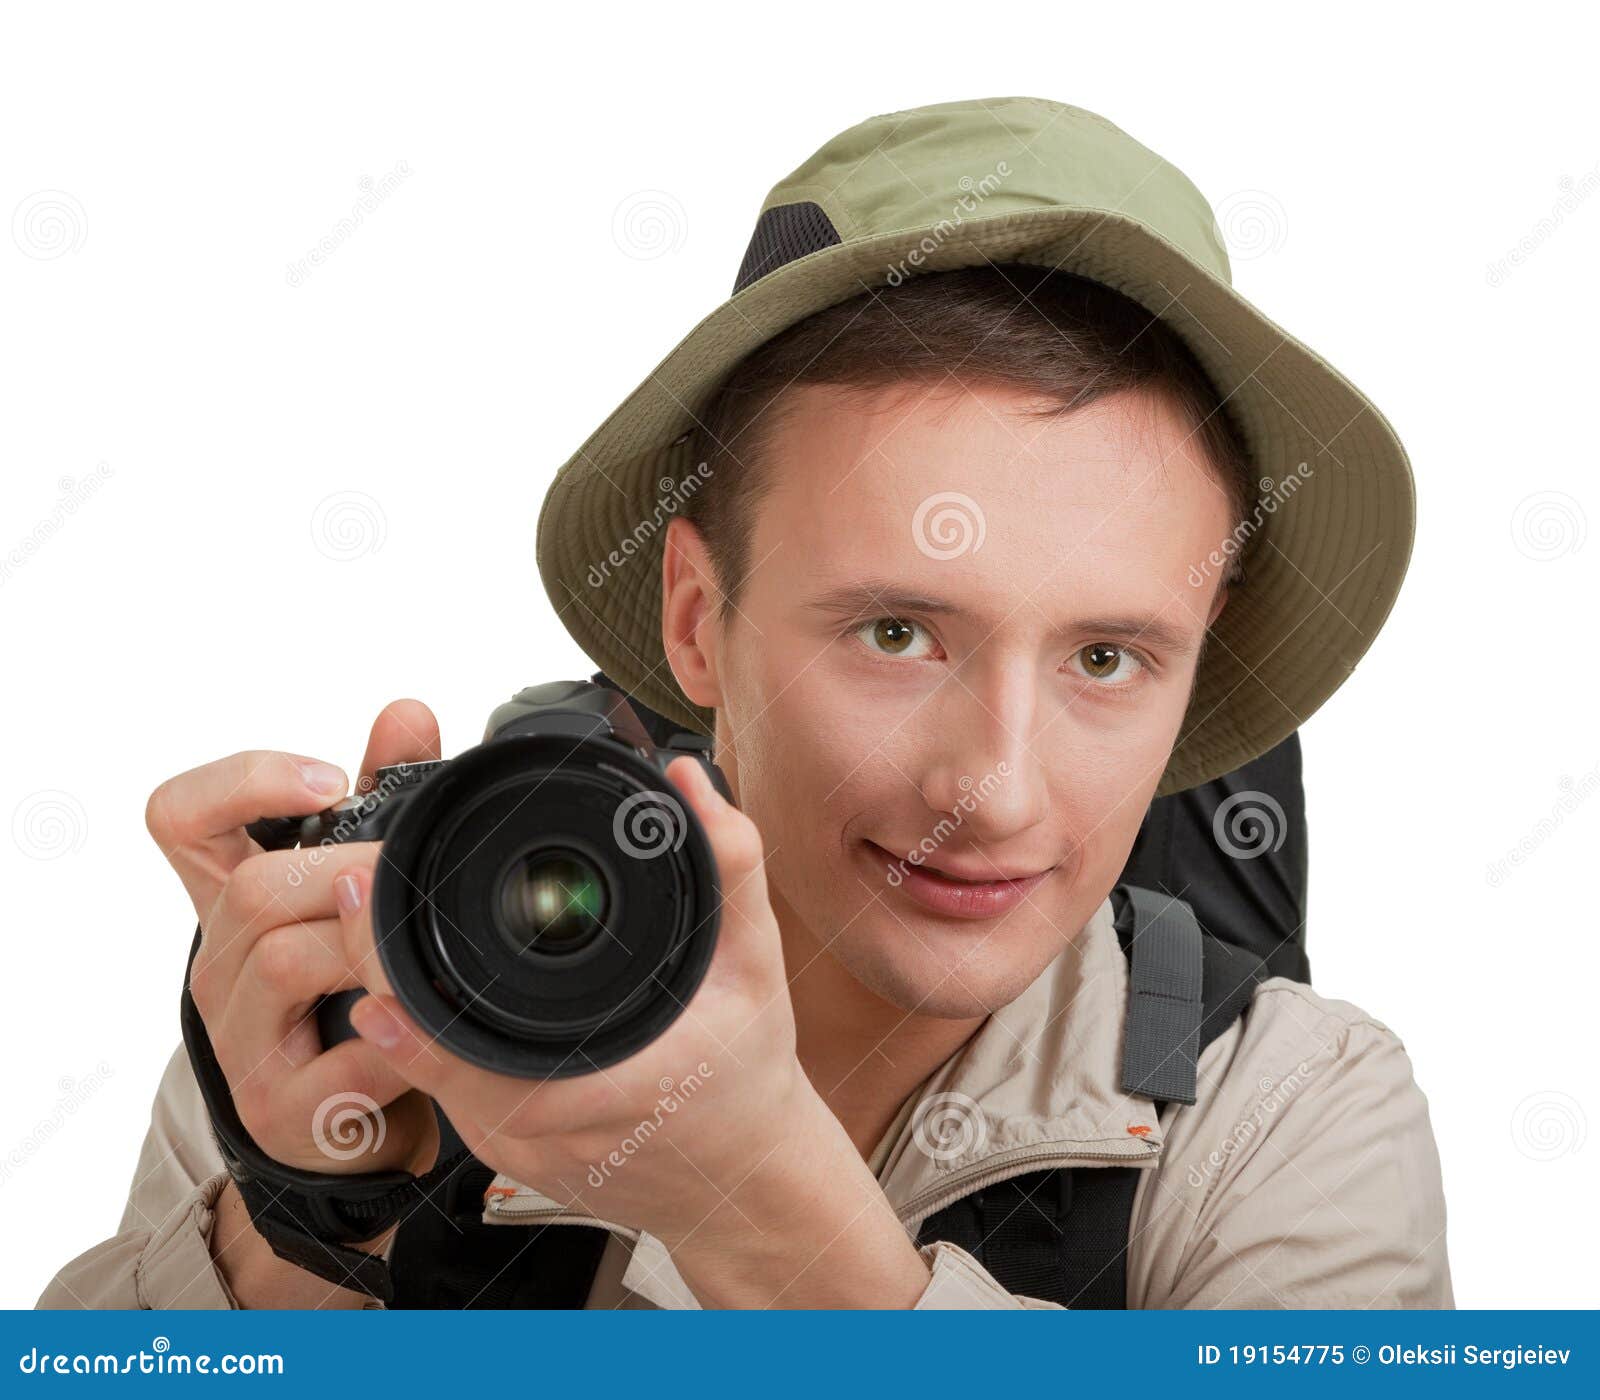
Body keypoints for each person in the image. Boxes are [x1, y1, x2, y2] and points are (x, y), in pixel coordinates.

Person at [39, 96, 1450, 1310]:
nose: (998, 790)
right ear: (697, 622)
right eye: (898, 632)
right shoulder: (404, 991)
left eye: (1105, 660)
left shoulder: (1297, 1115)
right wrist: (313, 1224)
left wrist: (755, 1198)